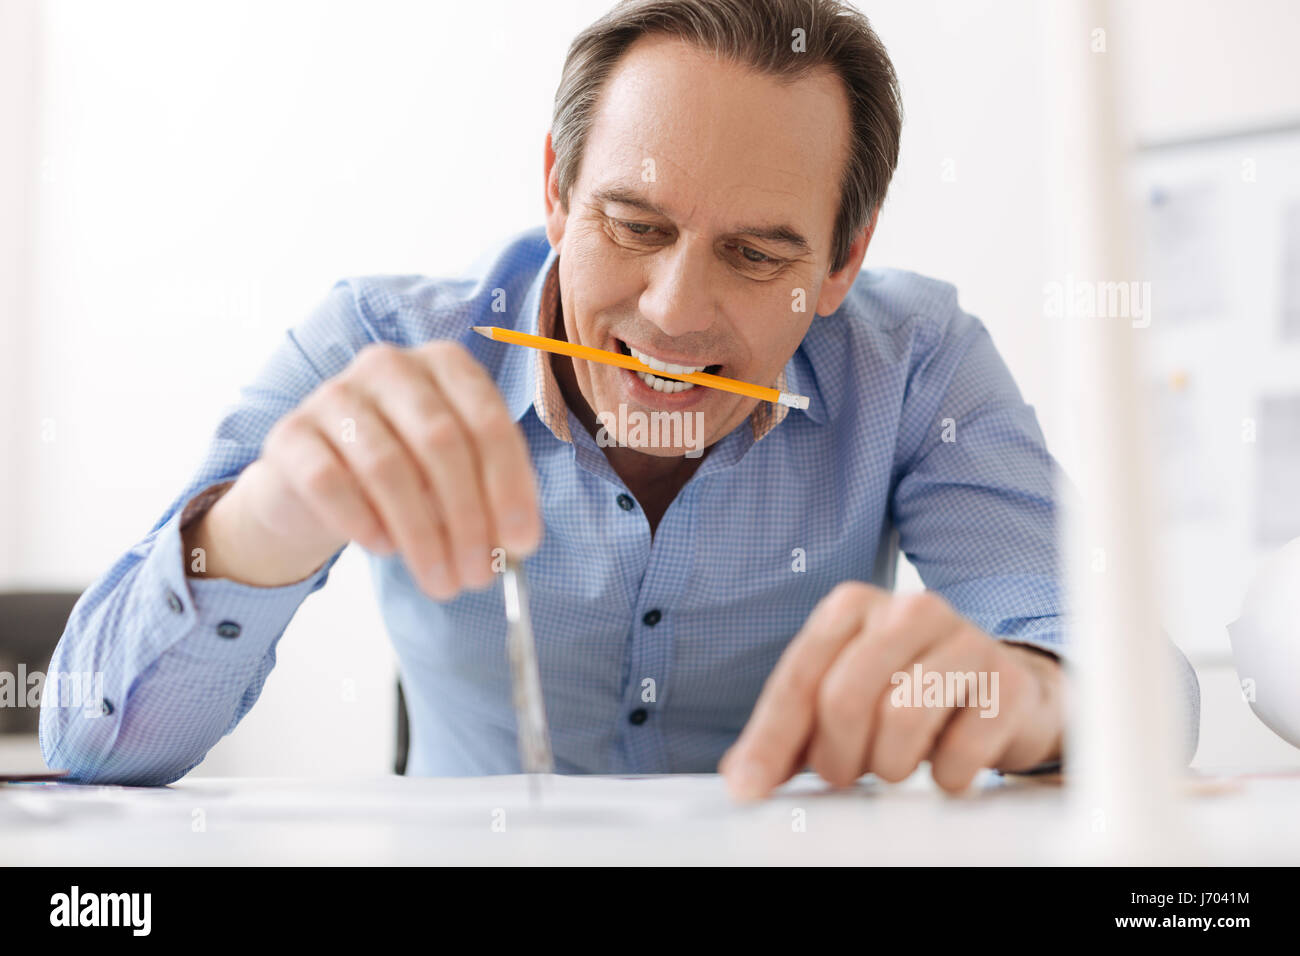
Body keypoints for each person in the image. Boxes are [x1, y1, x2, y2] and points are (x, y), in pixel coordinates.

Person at [41, 0, 1199, 797]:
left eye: (756, 255)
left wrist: (1043, 698)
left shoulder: (917, 366)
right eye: (633, 225)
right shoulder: (376, 343)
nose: (674, 314)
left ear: (843, 261)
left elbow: (1148, 688)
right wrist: (255, 528)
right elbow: (88, 739)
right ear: (556, 185)